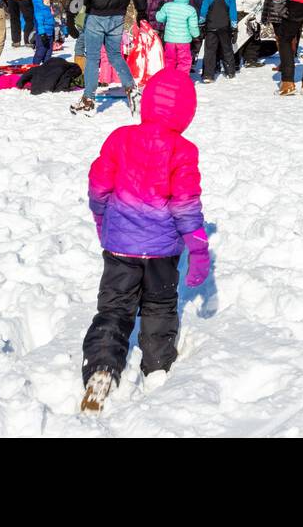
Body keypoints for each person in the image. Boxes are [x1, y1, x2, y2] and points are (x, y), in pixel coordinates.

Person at [79, 70, 209, 411]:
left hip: (121, 246)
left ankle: (102, 366)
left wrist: (101, 216)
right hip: (162, 252)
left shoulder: (120, 138)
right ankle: (157, 365)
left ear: (147, 103)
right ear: (186, 114)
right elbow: (186, 205)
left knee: (114, 309)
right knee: (159, 307)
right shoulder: (183, 150)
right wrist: (197, 248)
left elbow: (99, 186)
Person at [198, 0, 238, 83]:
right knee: (227, 49)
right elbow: (233, 13)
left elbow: (204, 10)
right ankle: (230, 71)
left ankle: (208, 75)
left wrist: (201, 23)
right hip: (225, 27)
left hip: (211, 27)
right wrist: (234, 27)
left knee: (210, 50)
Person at [156, 0, 201, 72]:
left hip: (170, 40)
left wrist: (159, 9)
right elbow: (193, 27)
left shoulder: (167, 6)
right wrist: (196, 35)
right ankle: (181, 79)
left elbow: (159, 18)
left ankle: (170, 78)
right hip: (184, 41)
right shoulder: (190, 10)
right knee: (184, 60)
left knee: (169, 59)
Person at [31, 0, 56, 66]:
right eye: (45, 0)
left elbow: (52, 23)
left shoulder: (49, 10)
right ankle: (35, 65)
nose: (48, 2)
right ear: (40, 2)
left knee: (49, 51)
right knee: (41, 51)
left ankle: (46, 66)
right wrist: (42, 34)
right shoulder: (39, 12)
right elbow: (40, 24)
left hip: (50, 34)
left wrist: (54, 33)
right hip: (43, 35)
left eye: (48, 1)